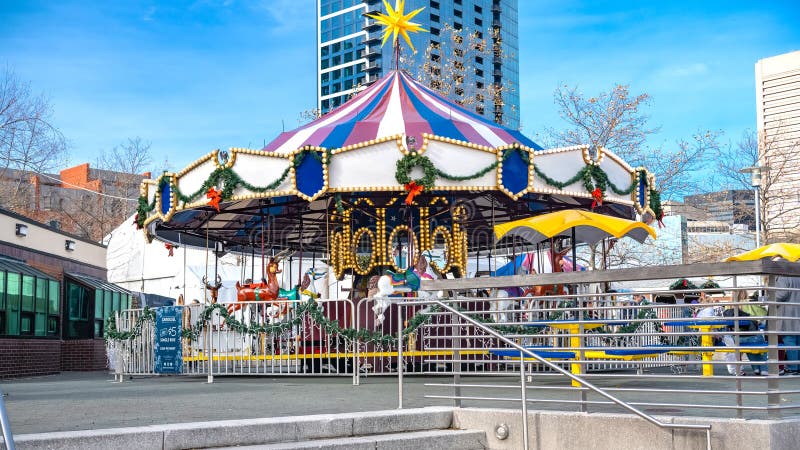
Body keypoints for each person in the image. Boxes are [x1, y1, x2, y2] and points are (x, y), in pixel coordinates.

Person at [722, 290, 768, 375]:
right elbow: (764, 313)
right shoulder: (749, 303)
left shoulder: (728, 306)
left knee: (748, 347)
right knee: (761, 346)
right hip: (751, 336)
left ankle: (756, 368)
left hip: (736, 338)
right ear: (745, 294)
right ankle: (763, 369)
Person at [776, 269, 800, 374]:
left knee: (789, 340)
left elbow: (781, 294)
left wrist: (768, 298)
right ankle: (797, 366)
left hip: (788, 313)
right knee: (798, 340)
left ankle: (793, 367)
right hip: (797, 311)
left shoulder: (783, 276)